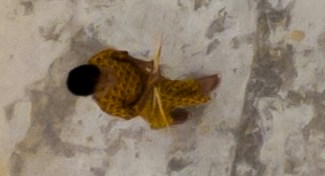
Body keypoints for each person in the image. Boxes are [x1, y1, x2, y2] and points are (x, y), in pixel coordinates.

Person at [65, 48, 218, 131]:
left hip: (145, 78)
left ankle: (197, 87)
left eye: (106, 74)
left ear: (97, 66)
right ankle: (168, 119)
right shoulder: (108, 104)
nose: (110, 81)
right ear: (95, 93)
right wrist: (149, 89)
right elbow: (133, 111)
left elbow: (125, 58)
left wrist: (146, 65)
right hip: (145, 103)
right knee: (160, 114)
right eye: (104, 86)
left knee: (171, 90)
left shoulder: (102, 58)